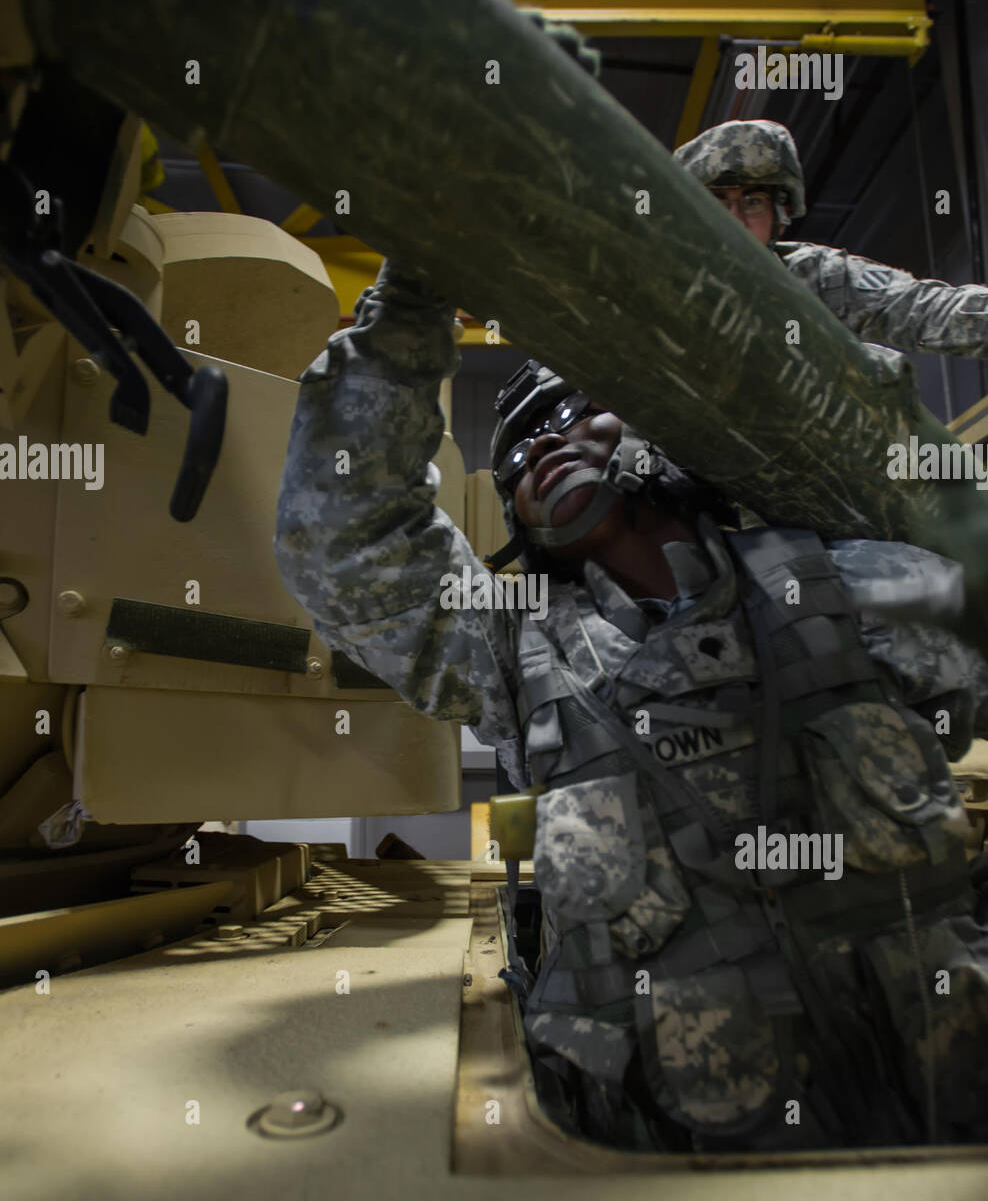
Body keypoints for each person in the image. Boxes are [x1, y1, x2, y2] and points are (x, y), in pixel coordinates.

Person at [275, 258, 988, 1154]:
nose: (545, 449)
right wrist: (412, 304)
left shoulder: (854, 582)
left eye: (572, 416)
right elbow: (342, 539)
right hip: (673, 1172)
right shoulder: (513, 649)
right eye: (521, 455)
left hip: (946, 1133)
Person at [673, 119, 988, 359]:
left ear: (780, 214)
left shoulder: (818, 279)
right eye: (717, 203)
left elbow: (924, 310)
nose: (735, 220)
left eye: (752, 202)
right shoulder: (659, 277)